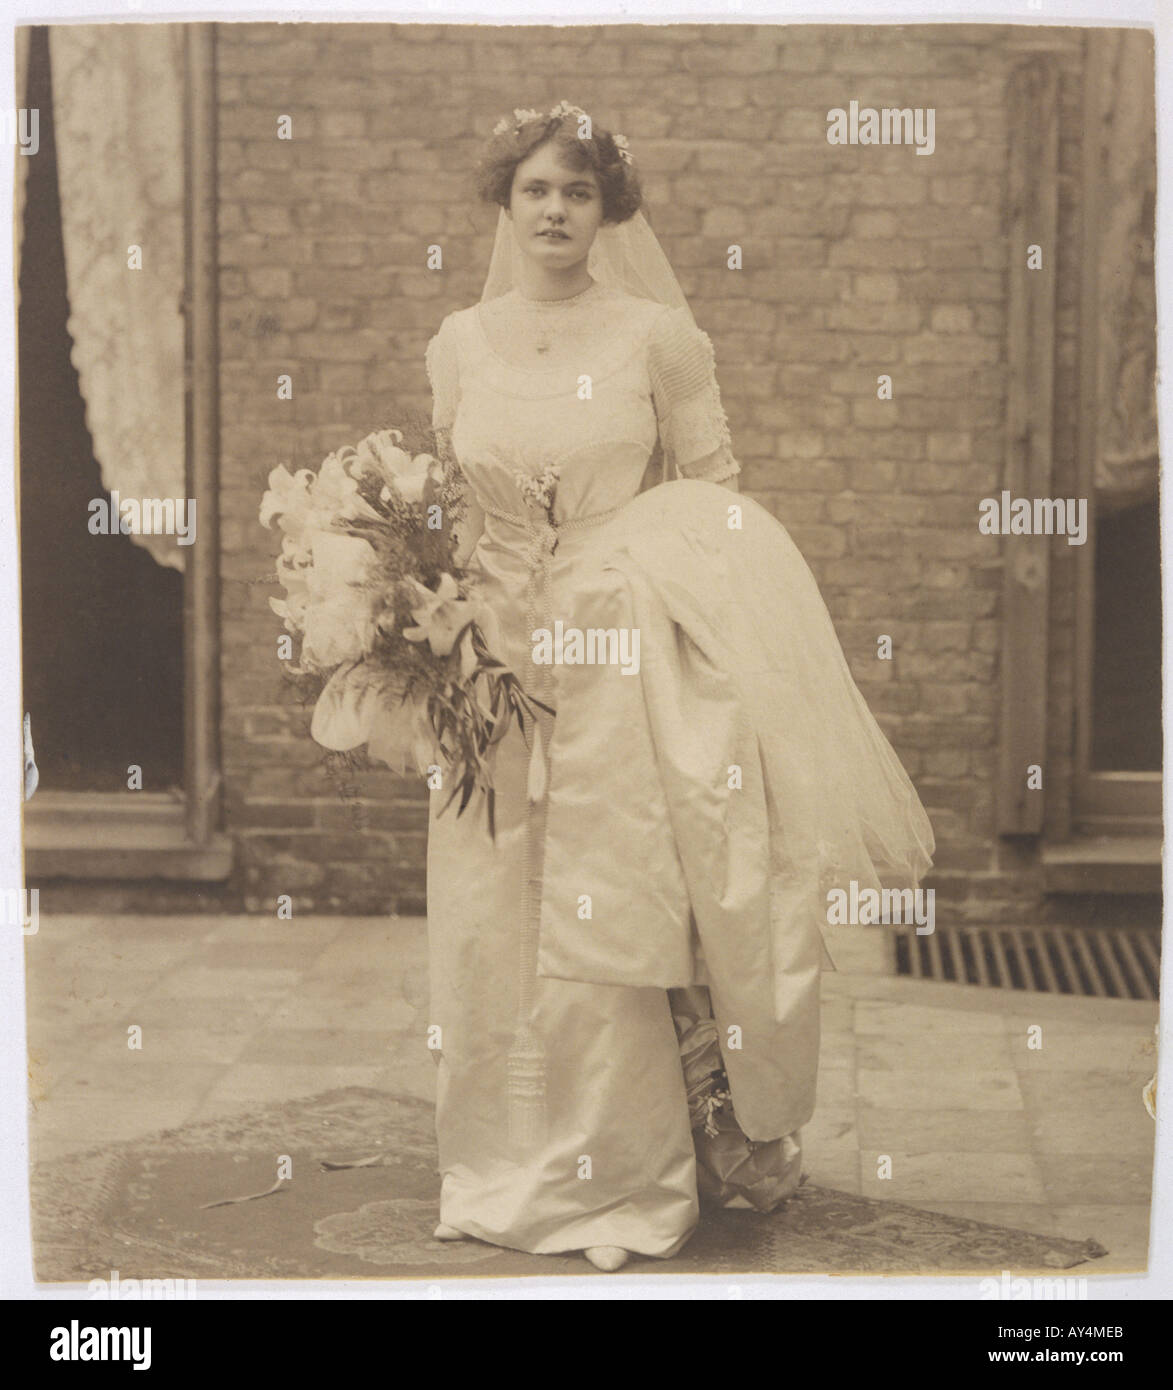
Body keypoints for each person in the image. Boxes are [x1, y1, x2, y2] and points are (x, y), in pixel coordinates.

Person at [422, 102, 934, 1272]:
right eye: (537, 191)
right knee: (496, 913)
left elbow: (718, 495)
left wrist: (696, 627)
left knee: (612, 915)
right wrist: (431, 623)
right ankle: (501, 1156)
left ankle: (623, 1172)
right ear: (504, 202)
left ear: (608, 211)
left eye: (579, 193)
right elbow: (447, 502)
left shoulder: (655, 336)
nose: (555, 211)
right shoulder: (458, 340)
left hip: (621, 653)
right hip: (490, 665)